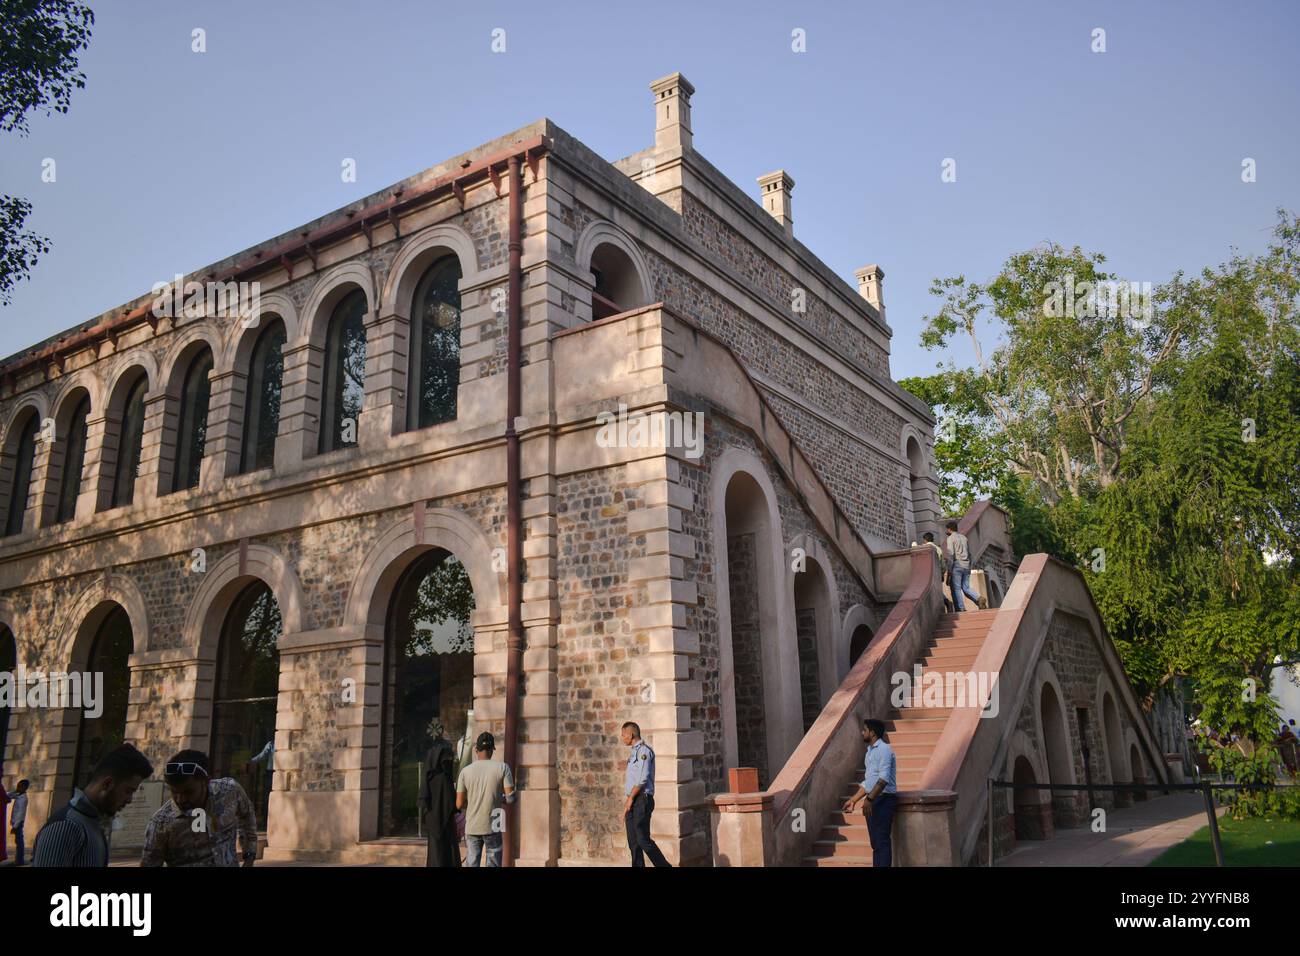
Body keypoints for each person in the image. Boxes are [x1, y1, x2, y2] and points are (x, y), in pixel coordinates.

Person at [33, 744, 154, 867]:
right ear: (107, 784)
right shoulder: (66, 826)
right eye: (128, 791)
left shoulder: (91, 823)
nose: (129, 800)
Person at [141, 749, 258, 867]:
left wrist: (249, 855)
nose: (180, 799)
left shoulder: (230, 792)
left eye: (188, 792)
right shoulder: (161, 823)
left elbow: (247, 815)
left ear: (206, 781)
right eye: (174, 792)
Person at [842, 718, 898, 867]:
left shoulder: (884, 749)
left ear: (872, 733)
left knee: (882, 840)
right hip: (874, 799)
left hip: (884, 800)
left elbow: (884, 778)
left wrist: (870, 799)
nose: (862, 732)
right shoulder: (869, 752)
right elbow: (869, 782)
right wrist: (854, 800)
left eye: (864, 730)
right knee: (875, 843)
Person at [455, 731, 515, 867]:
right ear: (492, 750)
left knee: (472, 863)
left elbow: (458, 804)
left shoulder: (465, 771)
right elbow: (511, 799)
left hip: (472, 824)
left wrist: (471, 799)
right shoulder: (503, 768)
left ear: (476, 750)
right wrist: (500, 798)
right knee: (493, 863)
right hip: (495, 822)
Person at [621, 721, 671, 867]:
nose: (622, 737)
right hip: (632, 800)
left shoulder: (644, 752)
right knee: (633, 842)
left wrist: (630, 799)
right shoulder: (633, 753)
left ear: (631, 734)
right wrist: (628, 803)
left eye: (623, 734)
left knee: (642, 839)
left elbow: (643, 778)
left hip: (642, 799)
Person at [420, 725, 460, 867]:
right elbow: (450, 801)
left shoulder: (429, 777)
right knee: (446, 854)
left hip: (433, 820)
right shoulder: (444, 777)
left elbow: (424, 798)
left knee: (435, 854)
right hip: (445, 821)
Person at [944, 519, 985, 612]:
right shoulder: (964, 538)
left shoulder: (950, 539)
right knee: (966, 587)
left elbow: (951, 555)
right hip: (966, 565)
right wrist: (970, 565)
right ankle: (978, 598)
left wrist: (949, 570)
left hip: (957, 565)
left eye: (947, 530)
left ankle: (961, 608)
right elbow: (970, 553)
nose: (946, 531)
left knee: (956, 588)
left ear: (950, 529)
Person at [922, 531, 954, 612]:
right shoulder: (939, 549)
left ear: (925, 540)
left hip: (927, 573)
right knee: (937, 590)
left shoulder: (923, 548)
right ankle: (946, 601)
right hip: (938, 572)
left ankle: (945, 602)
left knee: (931, 591)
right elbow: (943, 564)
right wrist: (942, 573)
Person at [9, 779, 28, 866]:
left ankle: (20, 860)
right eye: (18, 786)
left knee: (19, 841)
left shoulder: (23, 799)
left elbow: (21, 813)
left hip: (18, 823)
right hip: (15, 822)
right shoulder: (19, 795)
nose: (18, 788)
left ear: (25, 788)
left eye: (20, 786)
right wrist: (15, 791)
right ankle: (18, 859)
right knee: (18, 841)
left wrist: (15, 826)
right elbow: (8, 796)